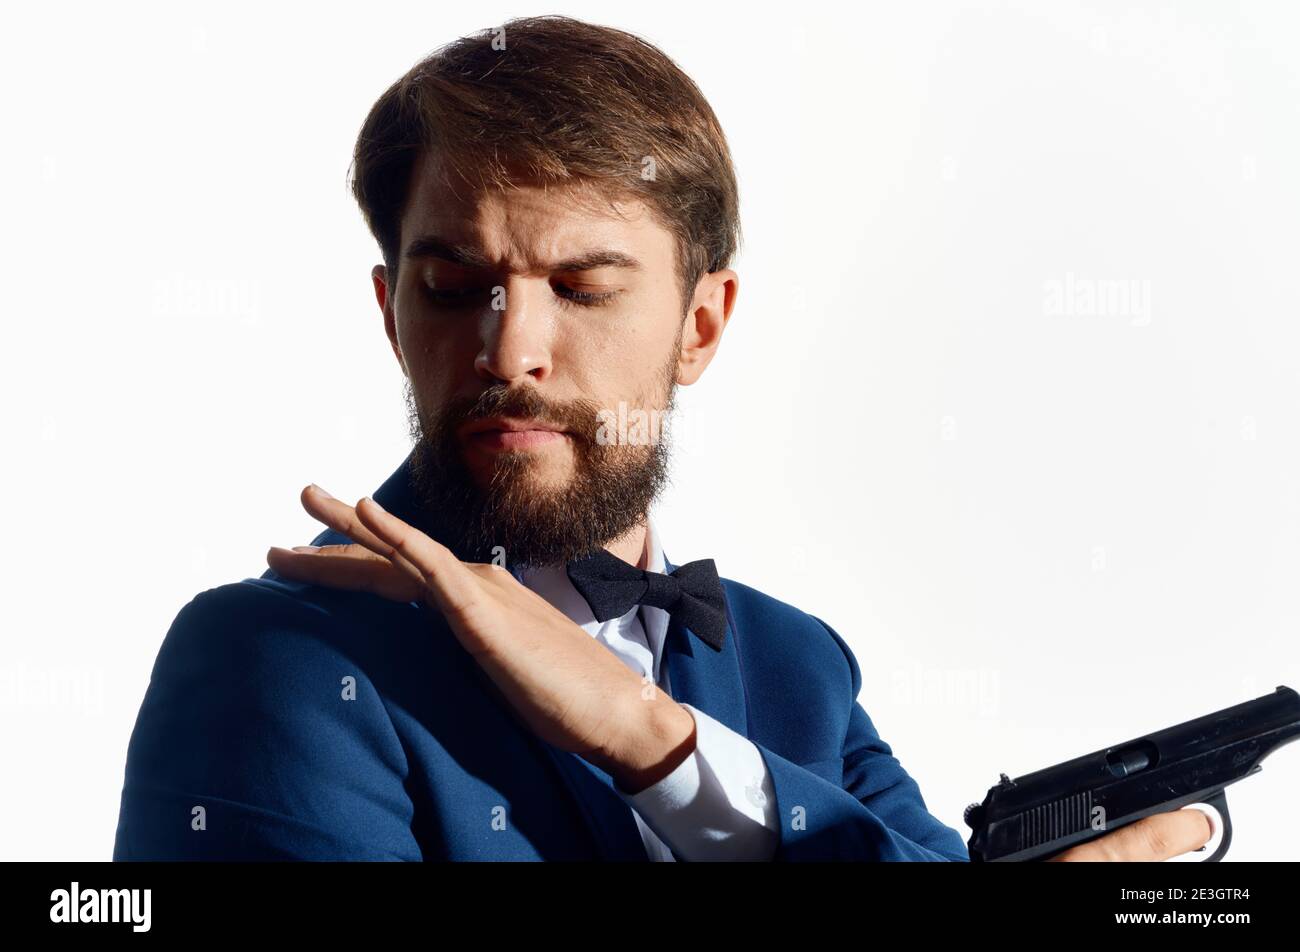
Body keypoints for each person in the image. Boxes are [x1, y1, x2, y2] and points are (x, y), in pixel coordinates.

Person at [112, 15, 1213, 862]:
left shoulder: (795, 666)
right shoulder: (277, 660)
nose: (508, 351)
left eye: (582, 287)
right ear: (392, 316)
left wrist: (655, 743)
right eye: (451, 286)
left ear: (701, 326)